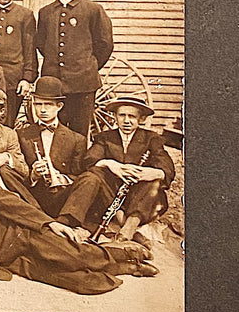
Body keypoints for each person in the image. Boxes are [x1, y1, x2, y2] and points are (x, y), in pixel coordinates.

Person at [0, 131, 157, 293]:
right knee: (77, 281)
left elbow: (6, 201)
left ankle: (121, 251)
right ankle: (127, 267)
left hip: (16, 234)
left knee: (74, 256)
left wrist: (47, 223)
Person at [57, 96, 175, 240]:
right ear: (114, 116)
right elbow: (89, 160)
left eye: (132, 116)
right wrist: (111, 164)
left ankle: (129, 226)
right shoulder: (105, 138)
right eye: (122, 115)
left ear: (141, 119)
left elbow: (167, 167)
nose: (126, 121)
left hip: (140, 196)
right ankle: (121, 222)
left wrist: (150, 173)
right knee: (94, 174)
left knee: (155, 182)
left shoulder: (151, 138)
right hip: (110, 193)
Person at [35, 0, 114, 136]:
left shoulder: (93, 9)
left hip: (83, 84)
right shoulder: (46, 12)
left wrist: (88, 66)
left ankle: (78, 165)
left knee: (79, 134)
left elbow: (105, 44)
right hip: (53, 85)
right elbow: (41, 43)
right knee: (53, 131)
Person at [16, 76, 88, 216]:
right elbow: (17, 175)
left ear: (59, 106)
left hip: (61, 200)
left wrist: (63, 179)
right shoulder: (21, 135)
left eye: (48, 105)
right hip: (32, 199)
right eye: (38, 104)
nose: (42, 110)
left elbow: (78, 175)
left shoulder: (76, 139)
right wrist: (33, 176)